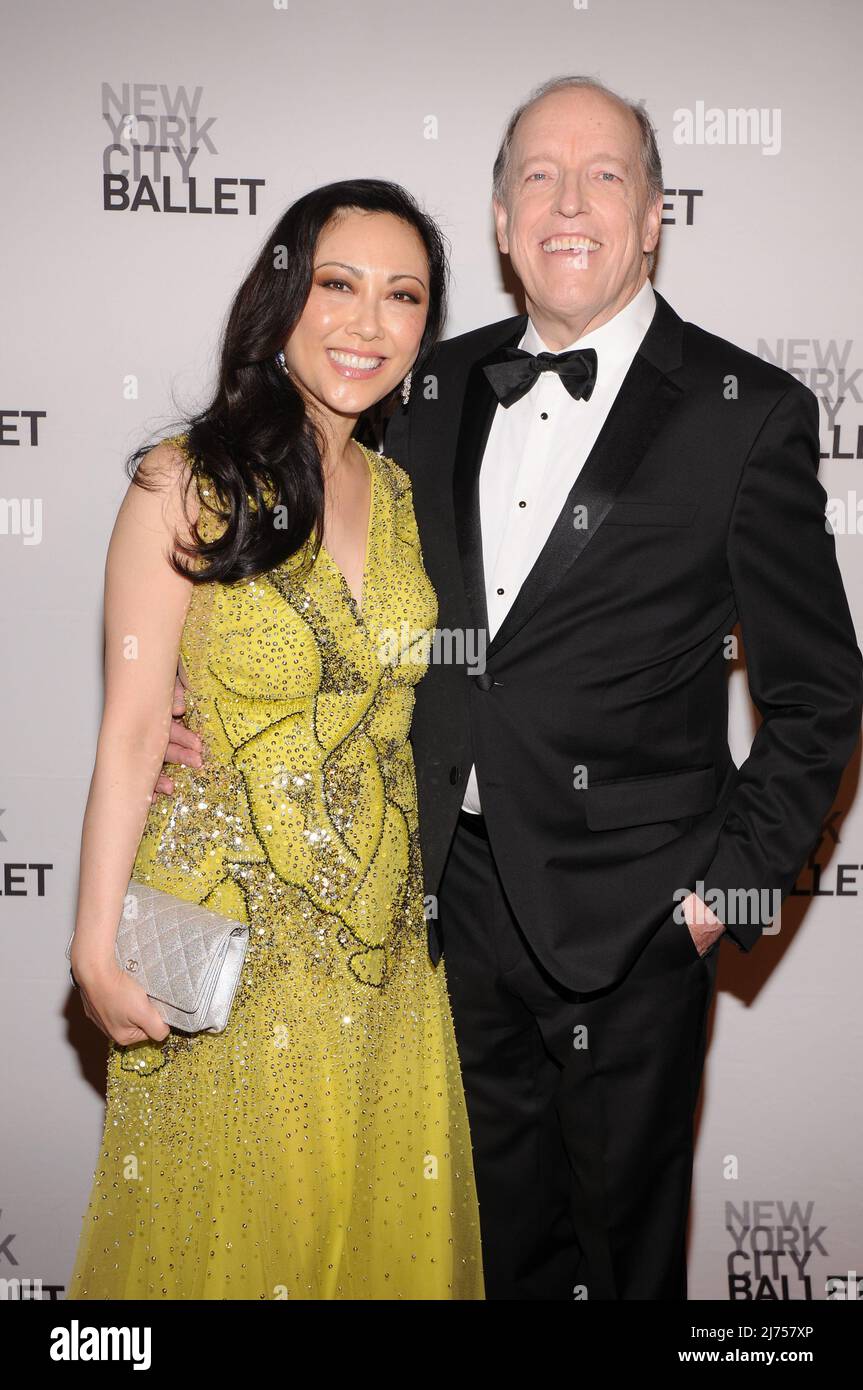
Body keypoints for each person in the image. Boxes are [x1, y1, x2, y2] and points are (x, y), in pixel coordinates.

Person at [160, 77, 863, 1301]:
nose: (567, 202)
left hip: (638, 920)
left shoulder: (747, 412)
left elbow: (818, 693)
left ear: (652, 216)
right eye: (537, 174)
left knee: (618, 1262)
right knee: (472, 1255)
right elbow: (326, 578)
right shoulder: (422, 389)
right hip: (437, 906)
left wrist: (719, 895)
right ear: (498, 217)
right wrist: (196, 695)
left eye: (604, 175)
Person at [66, 179, 484, 1300]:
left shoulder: (403, 497)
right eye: (338, 284)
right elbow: (133, 729)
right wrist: (93, 949)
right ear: (282, 294)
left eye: (403, 296)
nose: (367, 322)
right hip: (230, 942)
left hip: (389, 947)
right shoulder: (181, 481)